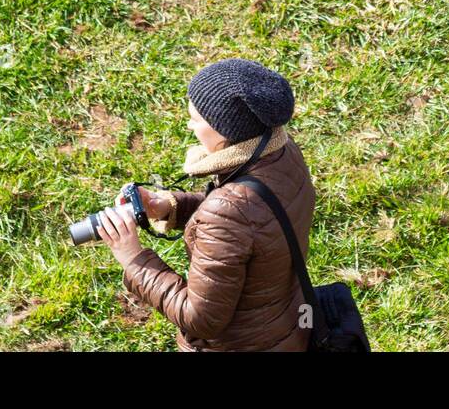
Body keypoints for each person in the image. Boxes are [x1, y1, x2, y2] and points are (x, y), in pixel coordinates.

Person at [96, 58, 316, 351]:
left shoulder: (230, 211)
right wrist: (168, 206)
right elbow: (252, 218)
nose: (190, 125)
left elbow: (199, 318)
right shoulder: (282, 153)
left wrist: (133, 258)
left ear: (224, 132)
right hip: (284, 324)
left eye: (196, 119)